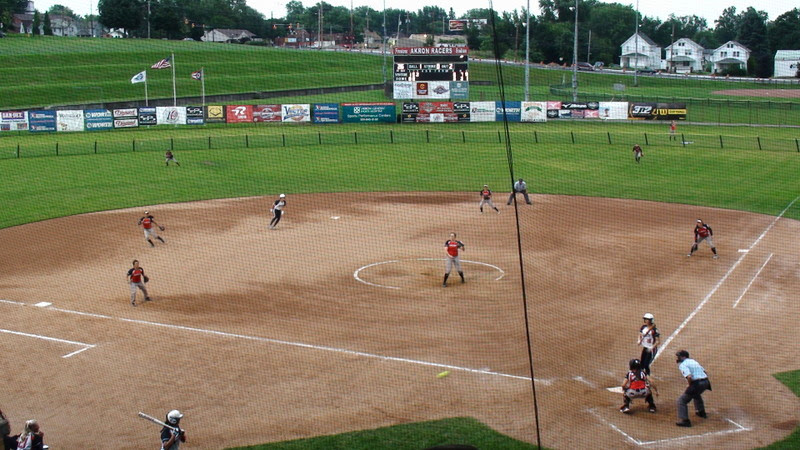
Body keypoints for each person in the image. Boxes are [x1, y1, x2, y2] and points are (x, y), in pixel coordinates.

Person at [675, 350, 711, 427]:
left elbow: (689, 376)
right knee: (696, 394)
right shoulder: (693, 361)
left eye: (679, 356)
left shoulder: (683, 365)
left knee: (681, 401)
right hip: (706, 382)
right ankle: (701, 412)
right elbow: (705, 371)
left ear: (684, 357)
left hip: (697, 384)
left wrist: (690, 385)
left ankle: (685, 421)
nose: (678, 358)